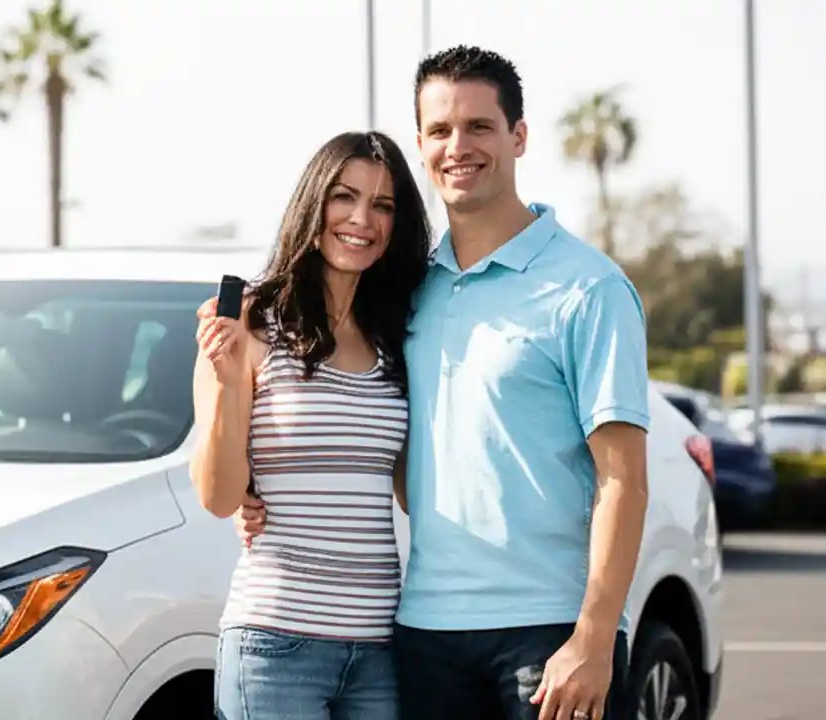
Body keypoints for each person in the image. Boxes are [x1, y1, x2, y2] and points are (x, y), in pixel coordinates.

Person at [235, 45, 651, 720]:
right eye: (439, 130)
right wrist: (258, 483)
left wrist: (595, 636)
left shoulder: (589, 287)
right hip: (424, 631)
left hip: (551, 632)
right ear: (422, 145)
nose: (458, 146)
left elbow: (624, 478)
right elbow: (358, 415)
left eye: (479, 126)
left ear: (518, 136)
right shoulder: (407, 290)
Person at [190, 130, 432, 720]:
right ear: (313, 203)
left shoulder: (397, 339)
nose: (361, 219)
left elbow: (407, 488)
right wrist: (226, 382)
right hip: (276, 645)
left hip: (378, 644)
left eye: (383, 205)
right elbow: (220, 497)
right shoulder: (248, 323)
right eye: (344, 197)